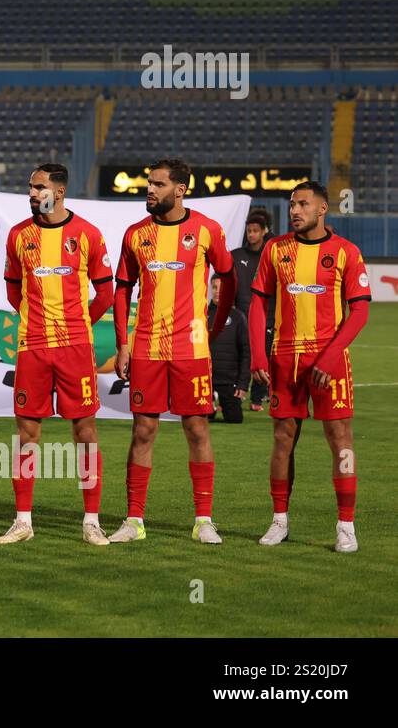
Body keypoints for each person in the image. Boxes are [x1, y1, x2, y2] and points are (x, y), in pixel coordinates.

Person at [110, 158, 235, 545]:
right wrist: (122, 343)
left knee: (197, 429)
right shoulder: (135, 234)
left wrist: (214, 327)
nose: (150, 190)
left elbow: (228, 278)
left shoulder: (207, 230)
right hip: (146, 348)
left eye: (158, 184)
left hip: (191, 351)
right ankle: (134, 520)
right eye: (148, 183)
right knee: (143, 430)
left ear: (180, 190)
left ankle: (203, 520)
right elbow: (122, 289)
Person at [0, 164, 115, 546]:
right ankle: (23, 521)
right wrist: (33, 321)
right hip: (32, 348)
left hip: (75, 350)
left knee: (85, 433)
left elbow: (107, 295)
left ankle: (92, 521)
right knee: (26, 434)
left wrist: (77, 325)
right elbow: (13, 290)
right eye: (30, 186)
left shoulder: (87, 234)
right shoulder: (18, 235)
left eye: (39, 187)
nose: (31, 193)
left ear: (59, 192)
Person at [250, 181, 370, 553]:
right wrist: (257, 356)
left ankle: (346, 526)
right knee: (283, 439)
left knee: (341, 441)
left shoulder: (346, 252)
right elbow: (257, 302)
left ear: (322, 209)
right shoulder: (275, 249)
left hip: (327, 360)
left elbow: (360, 310)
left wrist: (331, 357)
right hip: (285, 358)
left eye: (302, 204)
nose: (294, 211)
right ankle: (279, 521)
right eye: (291, 204)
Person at [231, 209, 272, 411]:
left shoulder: (271, 256)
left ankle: (257, 398)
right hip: (241, 315)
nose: (252, 234)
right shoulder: (237, 256)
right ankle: (232, 395)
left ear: (264, 231)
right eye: (249, 230)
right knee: (237, 357)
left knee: (262, 355)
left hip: (265, 316)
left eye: (256, 230)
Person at [207, 275, 250, 424]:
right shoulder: (202, 314)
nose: (217, 291)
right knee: (201, 419)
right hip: (206, 381)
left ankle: (220, 402)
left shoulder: (238, 317)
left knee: (234, 419)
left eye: (222, 288)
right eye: (214, 287)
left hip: (229, 382)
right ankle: (211, 404)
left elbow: (246, 352)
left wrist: (243, 384)